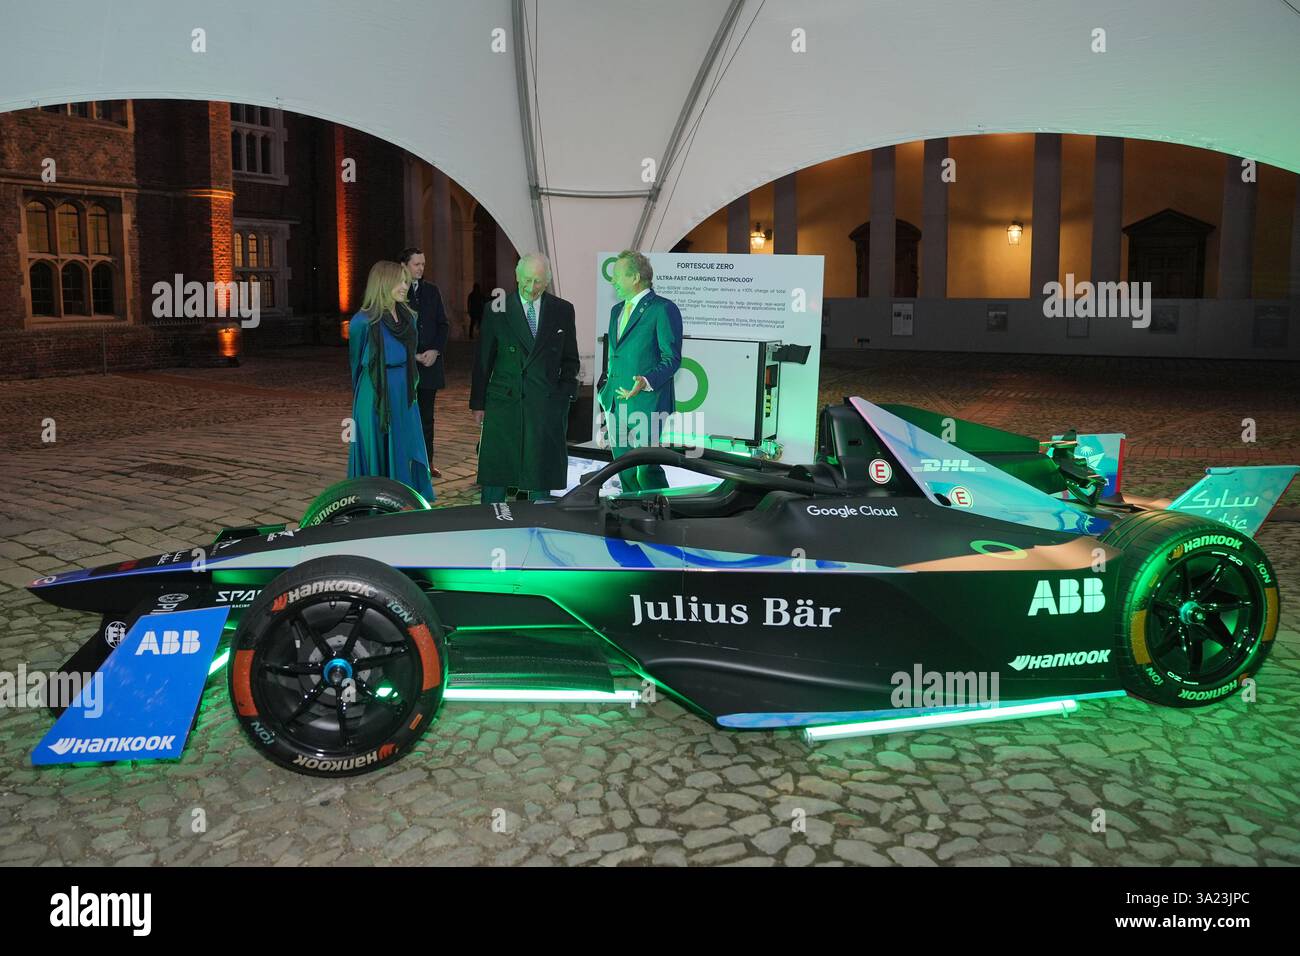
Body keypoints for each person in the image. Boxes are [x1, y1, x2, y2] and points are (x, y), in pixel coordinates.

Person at [470, 253, 579, 504]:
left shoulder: (562, 310)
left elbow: (570, 359)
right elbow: (483, 361)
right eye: (527, 280)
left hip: (545, 402)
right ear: (517, 277)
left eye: (538, 281)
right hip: (504, 401)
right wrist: (478, 403)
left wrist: (563, 395)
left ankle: (538, 521)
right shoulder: (496, 309)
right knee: (497, 472)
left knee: (540, 472)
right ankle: (490, 521)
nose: (531, 287)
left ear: (547, 280)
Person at [596, 250, 683, 494]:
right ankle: (631, 510)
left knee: (647, 469)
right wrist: (605, 391)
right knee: (623, 469)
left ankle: (666, 511)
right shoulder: (616, 310)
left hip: (647, 402)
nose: (613, 281)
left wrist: (645, 380)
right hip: (615, 401)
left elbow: (672, 358)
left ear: (635, 277)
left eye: (617, 275)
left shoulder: (663, 309)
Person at [347, 260, 435, 502]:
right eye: (400, 281)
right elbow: (356, 363)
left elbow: (407, 352)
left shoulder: (408, 318)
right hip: (374, 392)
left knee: (405, 444)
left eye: (406, 281)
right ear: (383, 283)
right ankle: (375, 501)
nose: (405, 286)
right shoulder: (362, 322)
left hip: (404, 390)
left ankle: (406, 497)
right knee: (376, 446)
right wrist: (363, 399)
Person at [400, 247, 450, 479]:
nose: (421, 268)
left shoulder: (432, 291)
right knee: (405, 416)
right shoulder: (397, 291)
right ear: (404, 265)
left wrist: (435, 350)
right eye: (416, 264)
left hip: (430, 365)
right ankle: (405, 462)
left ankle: (427, 462)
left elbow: (443, 324)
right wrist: (412, 354)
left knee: (427, 417)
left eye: (423, 264)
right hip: (405, 366)